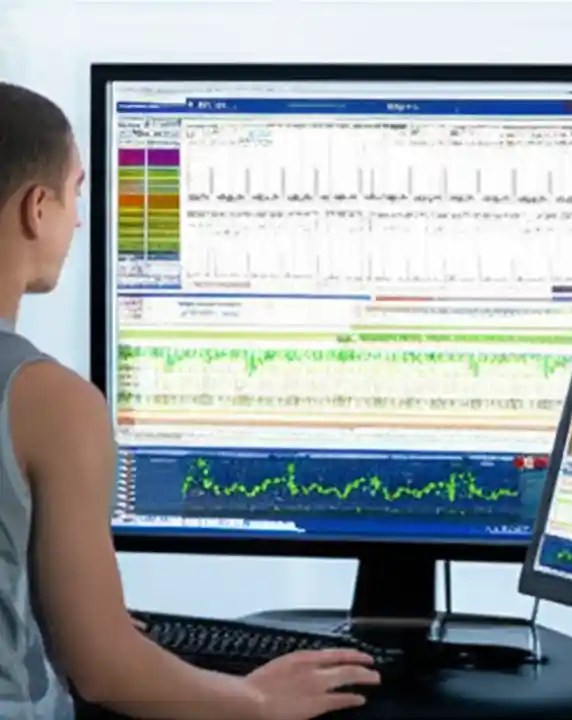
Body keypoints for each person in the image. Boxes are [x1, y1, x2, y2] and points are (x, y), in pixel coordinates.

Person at [0, 82, 379, 719]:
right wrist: (258, 698)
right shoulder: (50, 402)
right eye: (78, 193)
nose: (79, 219)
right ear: (39, 207)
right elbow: (104, 671)